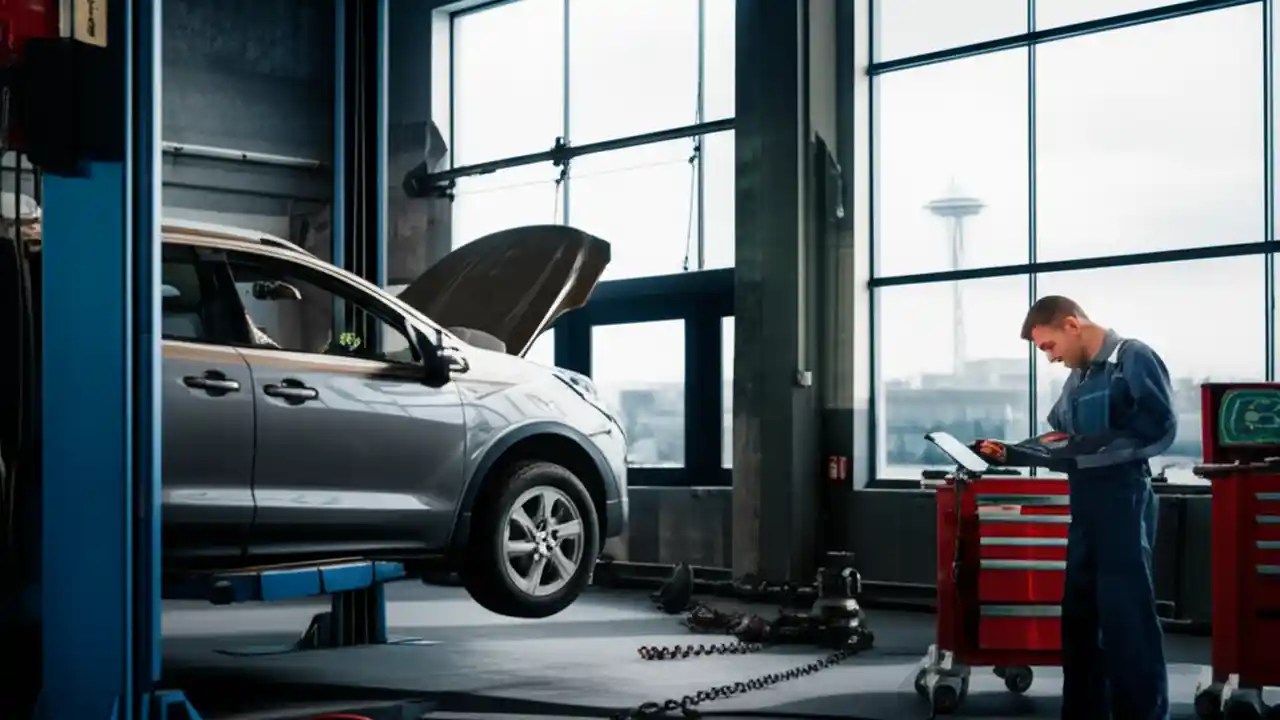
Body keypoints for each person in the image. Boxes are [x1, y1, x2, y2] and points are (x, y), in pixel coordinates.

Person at [975, 295, 1176, 720]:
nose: (1050, 359)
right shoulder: (1079, 377)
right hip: (1085, 503)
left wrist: (1087, 452)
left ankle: (1142, 714)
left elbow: (1158, 427)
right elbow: (1061, 438)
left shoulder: (1132, 358)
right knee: (1081, 618)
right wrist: (1012, 453)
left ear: (1071, 324)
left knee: (1127, 617)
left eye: (1049, 347)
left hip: (1123, 497)